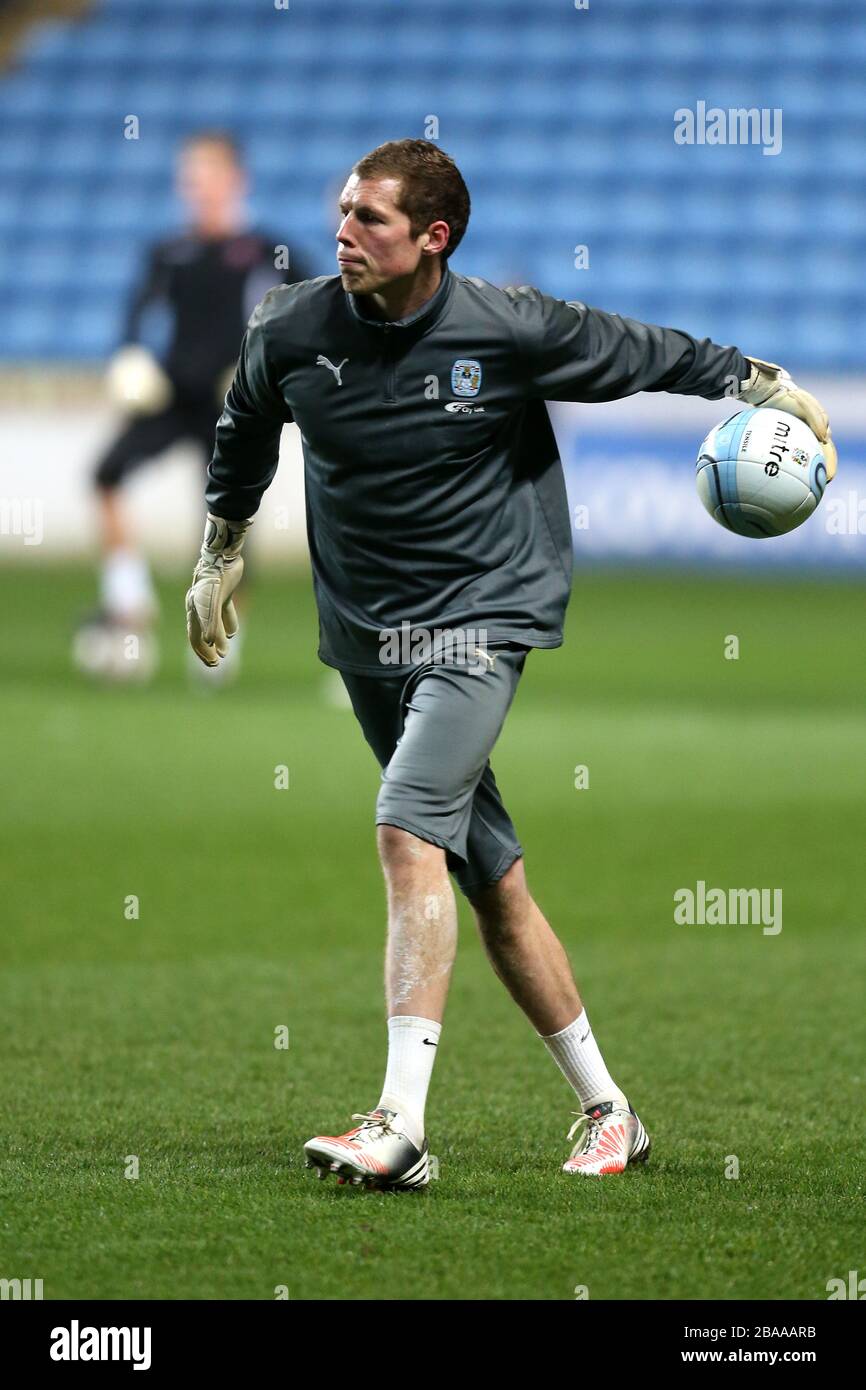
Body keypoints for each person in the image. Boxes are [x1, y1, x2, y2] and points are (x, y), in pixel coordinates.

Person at [186, 139, 836, 1187]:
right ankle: (609, 1110)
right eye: (343, 211)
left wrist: (758, 382)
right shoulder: (292, 326)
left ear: (431, 239)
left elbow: (641, 352)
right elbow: (245, 425)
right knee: (488, 877)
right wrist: (220, 550)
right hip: (366, 632)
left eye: (370, 220)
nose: (342, 232)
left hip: (481, 615)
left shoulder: (505, 328)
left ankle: (398, 1124)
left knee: (405, 823)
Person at [80, 130, 310, 680]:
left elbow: (312, 312)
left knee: (223, 519)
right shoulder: (170, 250)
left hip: (231, 402)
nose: (195, 185)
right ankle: (129, 606)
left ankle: (216, 634)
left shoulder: (264, 249)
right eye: (189, 175)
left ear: (235, 179)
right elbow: (137, 314)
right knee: (105, 474)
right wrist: (130, 356)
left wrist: (269, 369)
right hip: (172, 393)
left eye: (206, 173)